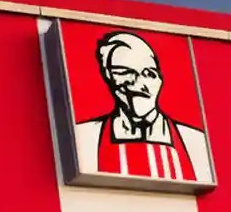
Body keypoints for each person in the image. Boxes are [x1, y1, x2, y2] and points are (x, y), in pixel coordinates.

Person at [74, 31, 210, 182]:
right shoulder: (84, 138)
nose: (139, 83)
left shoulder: (195, 141)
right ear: (108, 76)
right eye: (125, 72)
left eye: (149, 74)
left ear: (159, 79)